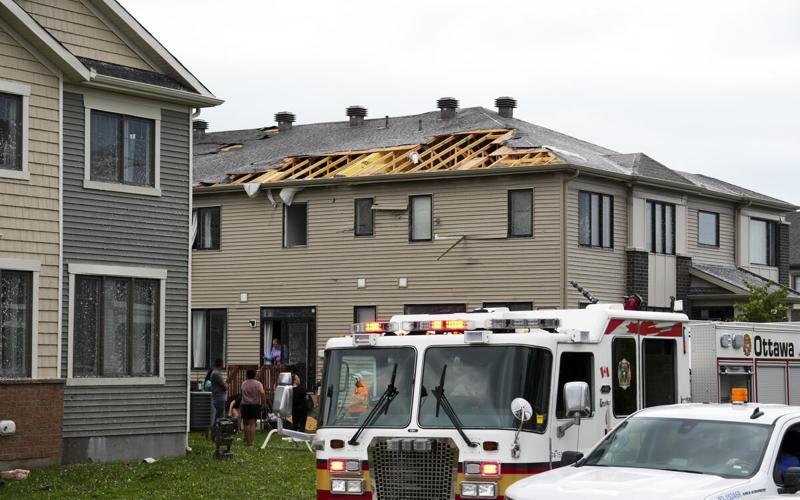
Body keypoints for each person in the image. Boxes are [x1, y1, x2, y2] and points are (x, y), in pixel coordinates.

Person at [240, 369, 265, 447]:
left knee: (246, 424)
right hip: (255, 405)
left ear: (247, 375)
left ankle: (248, 443)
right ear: (254, 375)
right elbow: (262, 392)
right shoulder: (258, 383)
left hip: (244, 405)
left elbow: (242, 393)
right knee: (252, 424)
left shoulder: (243, 383)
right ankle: (251, 444)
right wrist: (263, 402)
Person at [209, 358, 227, 423]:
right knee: (219, 416)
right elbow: (224, 386)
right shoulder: (216, 373)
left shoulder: (215, 373)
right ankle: (217, 430)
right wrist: (225, 386)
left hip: (218, 397)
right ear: (221, 364)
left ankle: (217, 430)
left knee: (218, 415)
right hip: (219, 397)